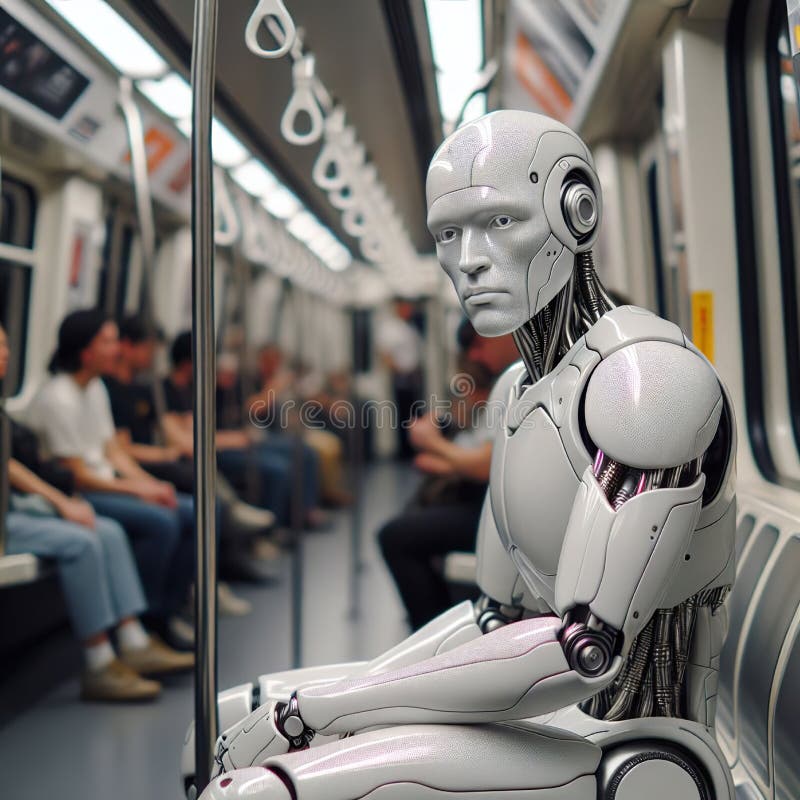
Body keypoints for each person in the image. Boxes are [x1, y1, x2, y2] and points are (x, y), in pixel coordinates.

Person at [0, 324, 192, 702]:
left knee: (108, 532)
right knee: (83, 543)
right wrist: (61, 501)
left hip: (15, 508)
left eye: (6, 343)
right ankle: (99, 662)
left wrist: (142, 486)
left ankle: (135, 638)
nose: (5, 352)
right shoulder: (57, 397)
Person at [26, 309, 198, 647]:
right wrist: (135, 491)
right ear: (86, 352)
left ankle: (166, 611)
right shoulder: (58, 397)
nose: (117, 348)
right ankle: (146, 622)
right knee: (162, 522)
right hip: (81, 491)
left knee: (191, 511)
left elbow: (114, 453)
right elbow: (78, 475)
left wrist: (146, 484)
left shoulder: (95, 389)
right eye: (107, 341)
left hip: (105, 483)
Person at [104, 315, 279, 592]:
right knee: (202, 491)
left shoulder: (144, 389)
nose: (152, 357)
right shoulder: (117, 391)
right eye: (148, 348)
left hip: (155, 457)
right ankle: (206, 579)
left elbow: (172, 431)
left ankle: (215, 572)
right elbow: (122, 448)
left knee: (203, 480)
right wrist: (162, 457)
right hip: (138, 463)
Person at [378, 322, 517, 630]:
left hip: (499, 511)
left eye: (481, 345)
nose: (477, 355)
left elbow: (483, 466)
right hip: (492, 497)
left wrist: (433, 444)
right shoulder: (506, 380)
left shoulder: (516, 381)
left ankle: (434, 632)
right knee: (415, 513)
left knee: (396, 536)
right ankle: (438, 620)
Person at [163, 331, 323, 528]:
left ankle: (299, 515)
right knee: (279, 469)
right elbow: (192, 439)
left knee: (304, 451)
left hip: (235, 439)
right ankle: (271, 529)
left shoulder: (203, 387)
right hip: (219, 449)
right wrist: (236, 438)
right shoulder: (170, 392)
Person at [376, 299, 424, 458]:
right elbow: (385, 354)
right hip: (401, 377)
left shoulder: (409, 327)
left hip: (413, 375)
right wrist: (400, 371)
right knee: (404, 415)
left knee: (414, 412)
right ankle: (405, 450)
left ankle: (415, 445)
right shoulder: (390, 328)